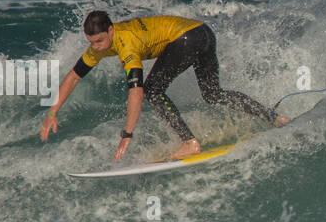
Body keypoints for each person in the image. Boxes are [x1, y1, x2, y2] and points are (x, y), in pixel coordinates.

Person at [39, 11, 289, 161]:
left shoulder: (126, 43)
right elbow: (73, 76)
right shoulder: (100, 47)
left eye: (100, 41)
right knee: (213, 94)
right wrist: (52, 112)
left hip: (188, 38)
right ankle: (272, 117)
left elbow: (136, 93)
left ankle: (190, 142)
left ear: (111, 30)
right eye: (91, 42)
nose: (96, 47)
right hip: (203, 33)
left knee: (153, 91)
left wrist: (127, 134)